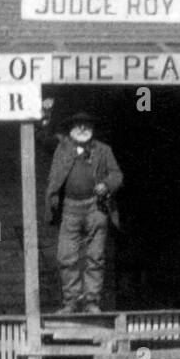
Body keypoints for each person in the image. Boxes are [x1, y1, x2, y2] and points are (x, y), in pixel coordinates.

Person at [45, 111, 123, 314]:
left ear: (92, 129)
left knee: (95, 258)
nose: (82, 129)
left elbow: (117, 175)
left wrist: (106, 185)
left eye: (86, 125)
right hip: (69, 209)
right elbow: (40, 137)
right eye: (78, 125)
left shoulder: (103, 150)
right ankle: (71, 302)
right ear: (70, 130)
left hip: (95, 208)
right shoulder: (62, 148)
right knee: (66, 257)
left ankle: (91, 303)